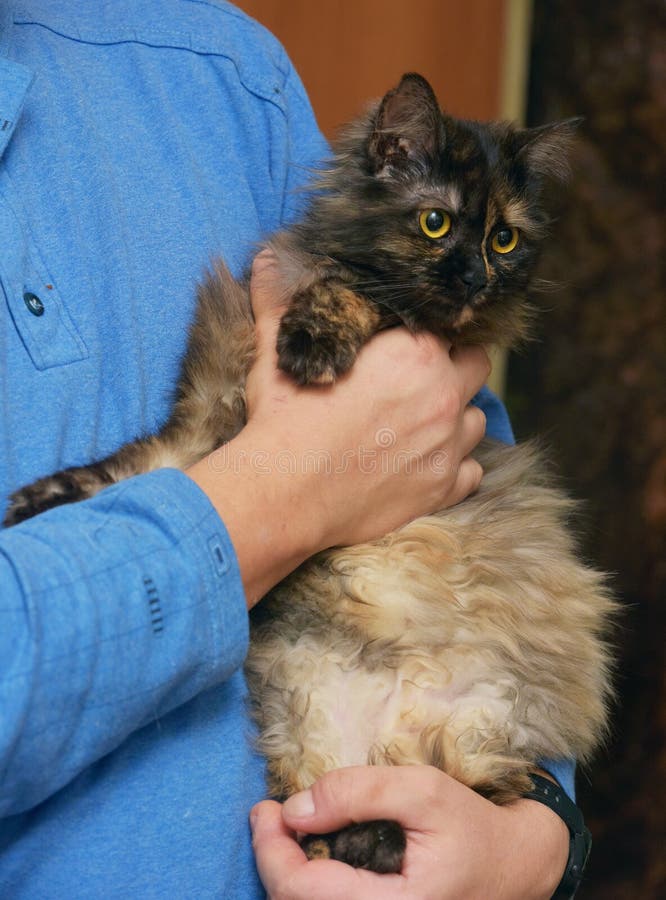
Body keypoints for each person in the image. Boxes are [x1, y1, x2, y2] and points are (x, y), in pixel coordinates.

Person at [0, 2, 572, 896]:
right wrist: (272, 500)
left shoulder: (225, 70)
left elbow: (453, 450)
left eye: (499, 243)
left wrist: (538, 840)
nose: (472, 265)